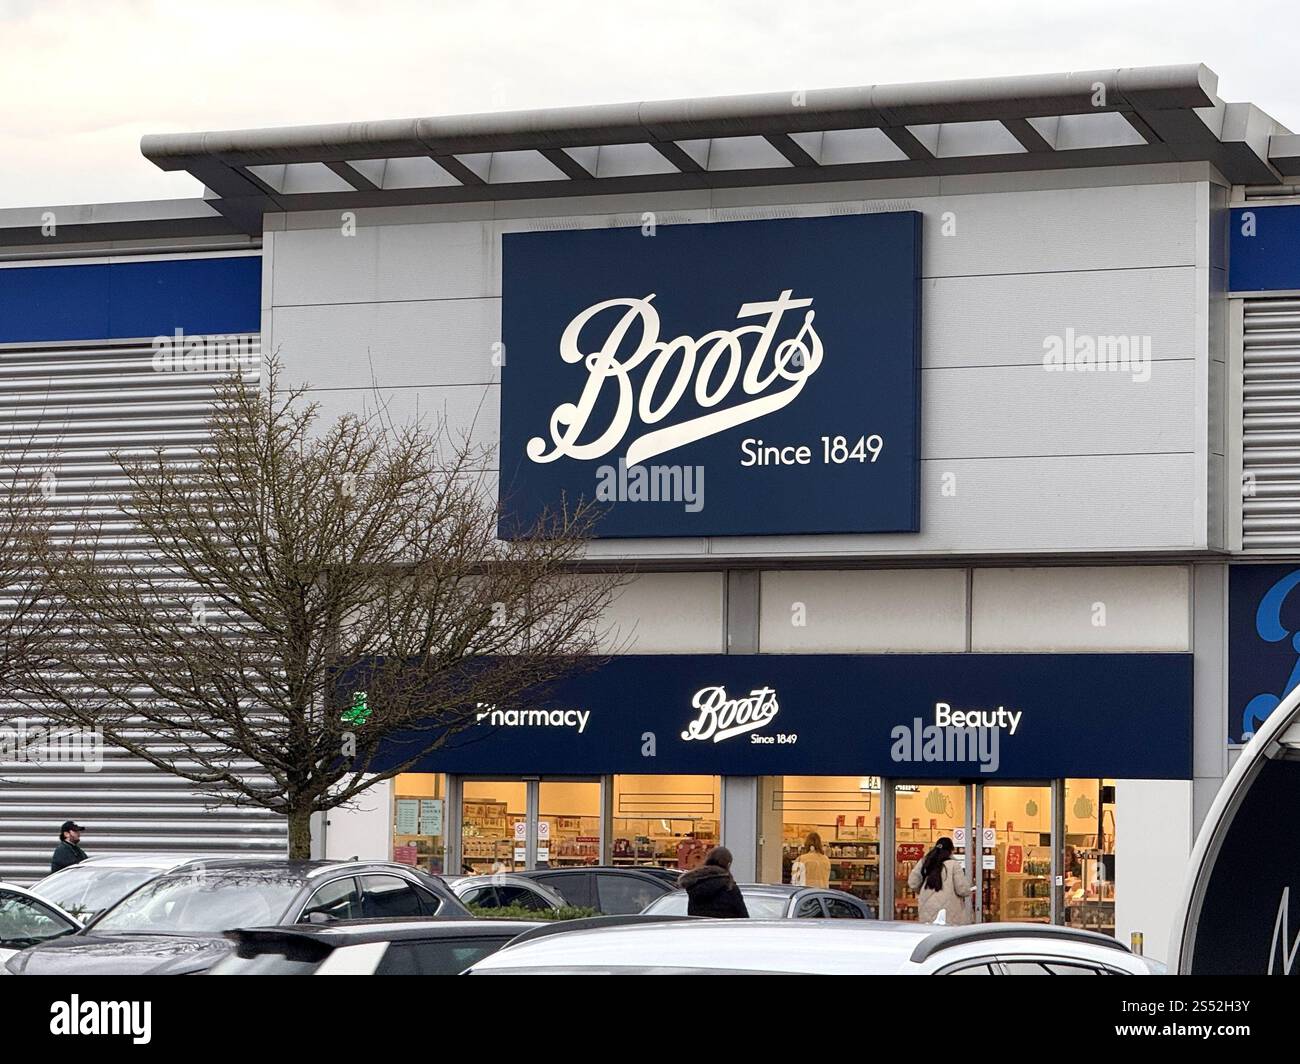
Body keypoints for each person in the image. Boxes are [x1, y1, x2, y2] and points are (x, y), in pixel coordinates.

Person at [906, 836, 973, 925]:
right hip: (949, 911)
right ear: (951, 850)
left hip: (927, 908)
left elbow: (913, 882)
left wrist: (923, 891)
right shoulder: (953, 865)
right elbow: (962, 889)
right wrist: (969, 890)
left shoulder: (924, 862)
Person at [679, 845, 749, 918]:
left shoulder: (694, 884)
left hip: (699, 927)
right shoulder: (729, 886)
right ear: (728, 864)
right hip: (725, 928)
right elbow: (743, 916)